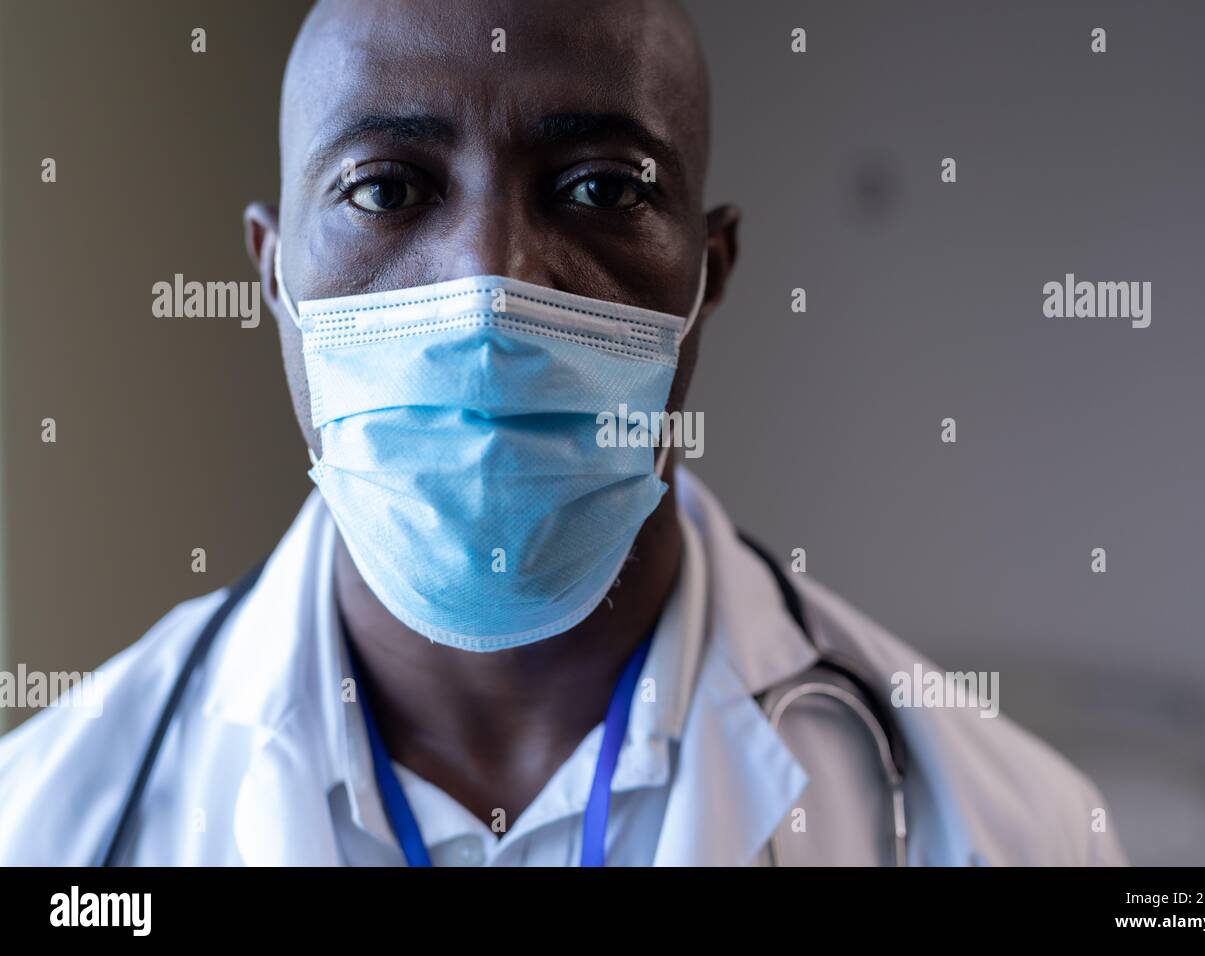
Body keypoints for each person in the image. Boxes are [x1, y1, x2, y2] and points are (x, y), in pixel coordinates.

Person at [0, 0, 1125, 866]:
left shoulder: (1011, 830)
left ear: (707, 278)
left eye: (599, 188)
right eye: (387, 189)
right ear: (274, 277)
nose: (490, 286)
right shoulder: (46, 822)